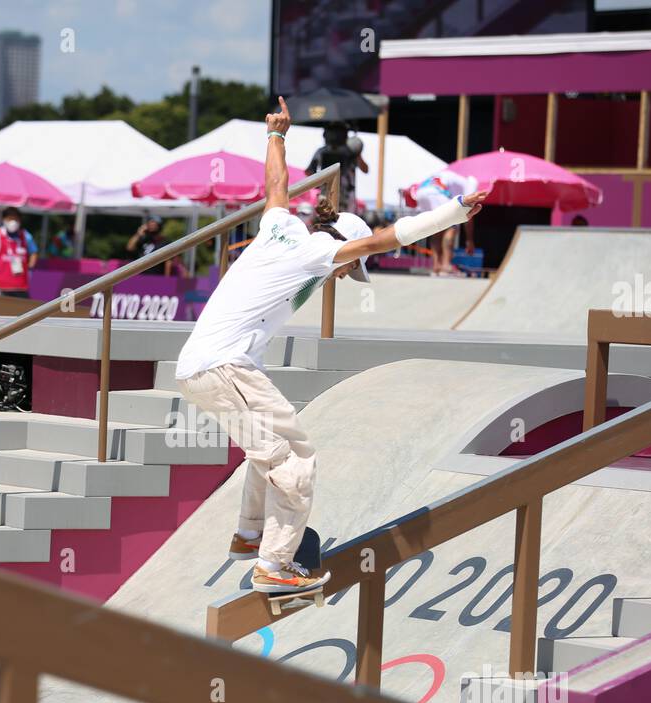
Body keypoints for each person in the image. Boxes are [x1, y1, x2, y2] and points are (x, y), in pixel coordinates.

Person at [174, 96, 487, 596]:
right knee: (296, 457)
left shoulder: (279, 228)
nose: (345, 274)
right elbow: (381, 241)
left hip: (199, 368)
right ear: (340, 245)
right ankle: (274, 565)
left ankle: (248, 534)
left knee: (268, 449)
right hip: (224, 367)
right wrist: (449, 215)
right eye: (348, 267)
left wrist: (277, 133)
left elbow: (276, 186)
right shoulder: (319, 249)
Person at [406, 169, 479, 275]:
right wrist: (469, 240)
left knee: (436, 227)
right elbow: (469, 216)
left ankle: (436, 265)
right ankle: (446, 265)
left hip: (421, 194)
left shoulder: (451, 176)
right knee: (452, 227)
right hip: (436, 193)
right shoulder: (471, 184)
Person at [305, 121, 369, 211]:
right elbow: (309, 171)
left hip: (343, 196)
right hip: (330, 195)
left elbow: (365, 169)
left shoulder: (349, 151)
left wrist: (357, 153)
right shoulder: (323, 151)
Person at [0, 207, 38, 298]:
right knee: (1, 309)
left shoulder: (25, 235)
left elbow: (34, 252)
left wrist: (30, 267)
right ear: (4, 220)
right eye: (10, 219)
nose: (13, 222)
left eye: (15, 219)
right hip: (1, 282)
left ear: (20, 220)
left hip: (21, 283)